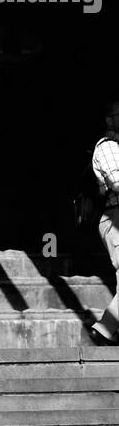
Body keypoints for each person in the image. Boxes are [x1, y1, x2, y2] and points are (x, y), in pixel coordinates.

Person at [88, 99, 119, 344]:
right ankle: (105, 329)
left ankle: (107, 329)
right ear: (109, 119)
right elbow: (117, 181)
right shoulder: (108, 146)